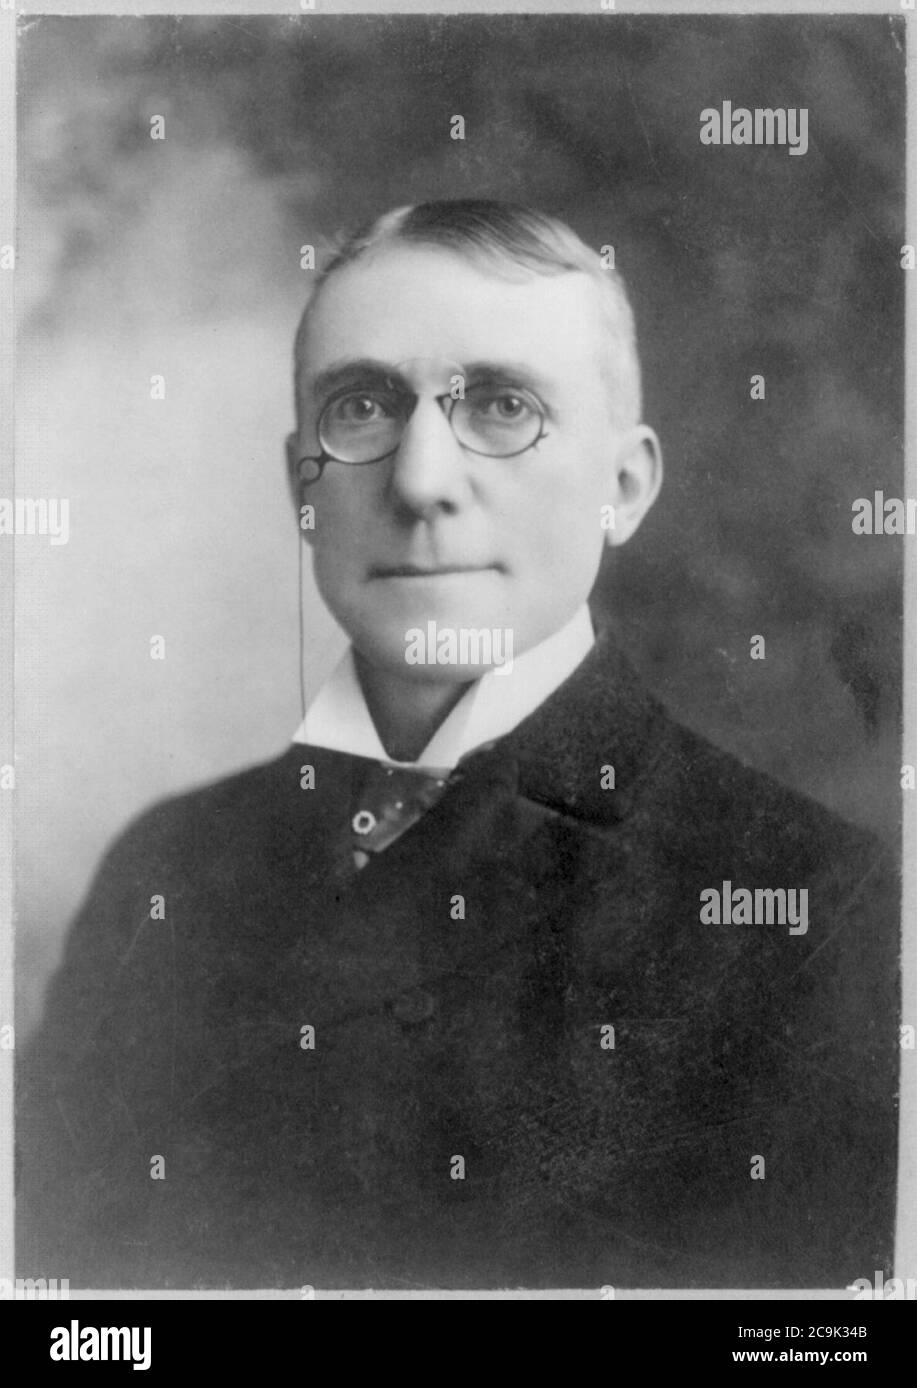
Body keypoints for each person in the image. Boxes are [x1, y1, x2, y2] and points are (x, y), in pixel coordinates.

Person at [17, 200, 898, 1291]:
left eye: (501, 404)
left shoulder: (809, 896)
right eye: (361, 406)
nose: (422, 479)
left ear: (622, 487)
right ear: (301, 485)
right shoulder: (164, 867)